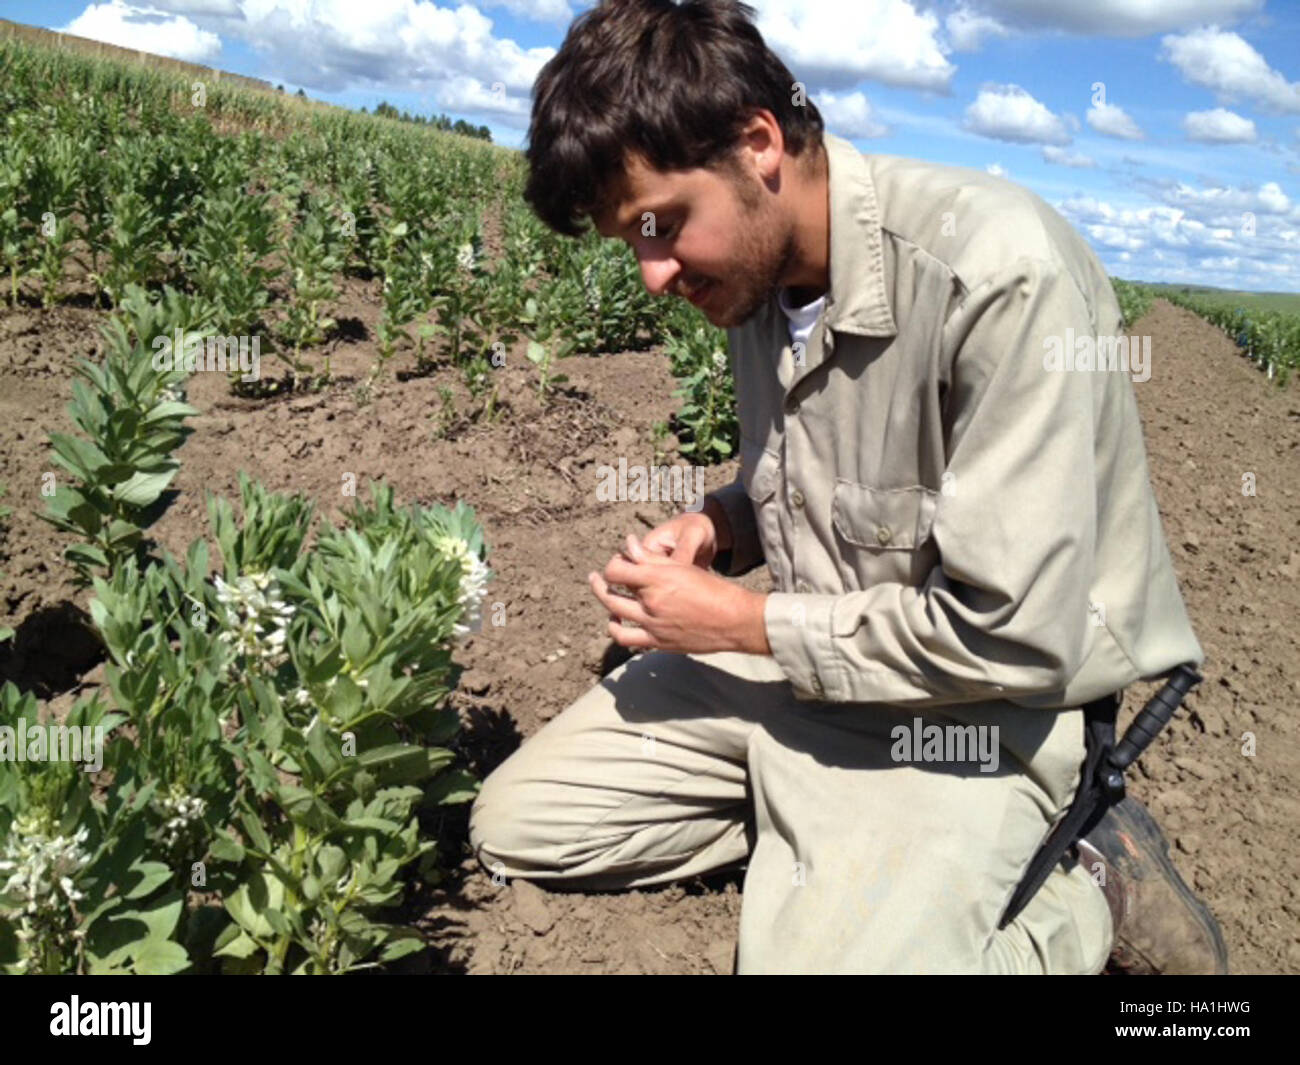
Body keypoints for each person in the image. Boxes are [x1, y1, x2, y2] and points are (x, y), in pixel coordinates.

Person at [468, 0, 1228, 974]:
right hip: (806, 668)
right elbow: (816, 478)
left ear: (757, 144)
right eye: (630, 243)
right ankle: (822, 839)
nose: (651, 274)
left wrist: (737, 625)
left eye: (660, 225)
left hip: (968, 719)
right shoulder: (750, 278)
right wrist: (719, 531)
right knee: (521, 827)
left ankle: (1079, 878)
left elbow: (1013, 639)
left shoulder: (995, 277)